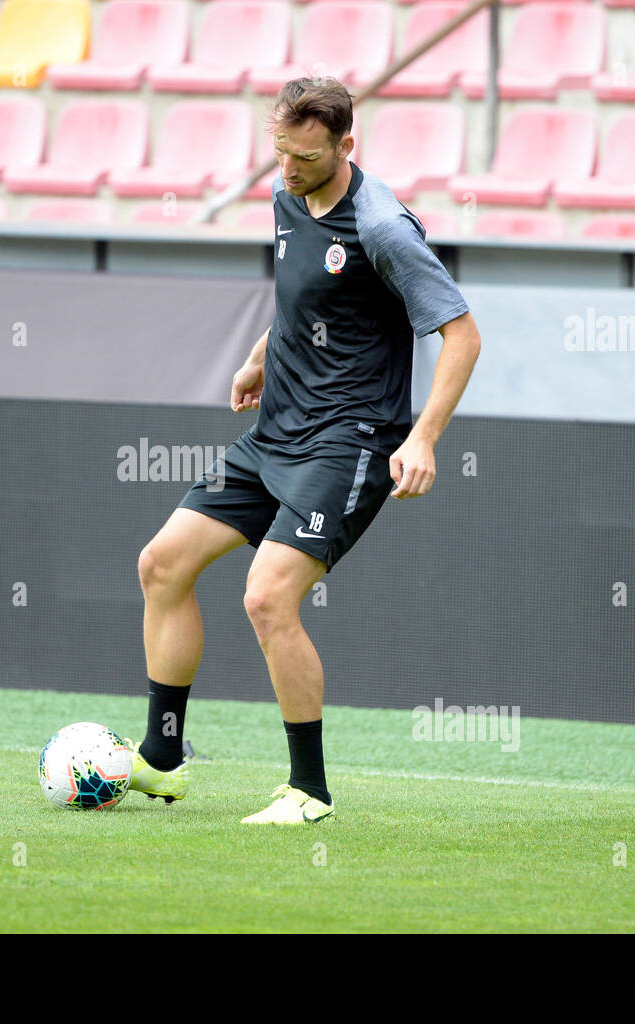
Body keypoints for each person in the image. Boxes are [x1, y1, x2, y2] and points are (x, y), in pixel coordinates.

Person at [128, 78, 482, 824]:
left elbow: (462, 335)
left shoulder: (383, 227)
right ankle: (162, 760)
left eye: (304, 157)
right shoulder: (287, 194)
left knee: (267, 596)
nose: (286, 169)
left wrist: (423, 438)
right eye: (279, 153)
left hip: (349, 443)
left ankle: (309, 791)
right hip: (276, 431)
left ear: (346, 147)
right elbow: (300, 297)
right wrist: (261, 353)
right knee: (162, 565)